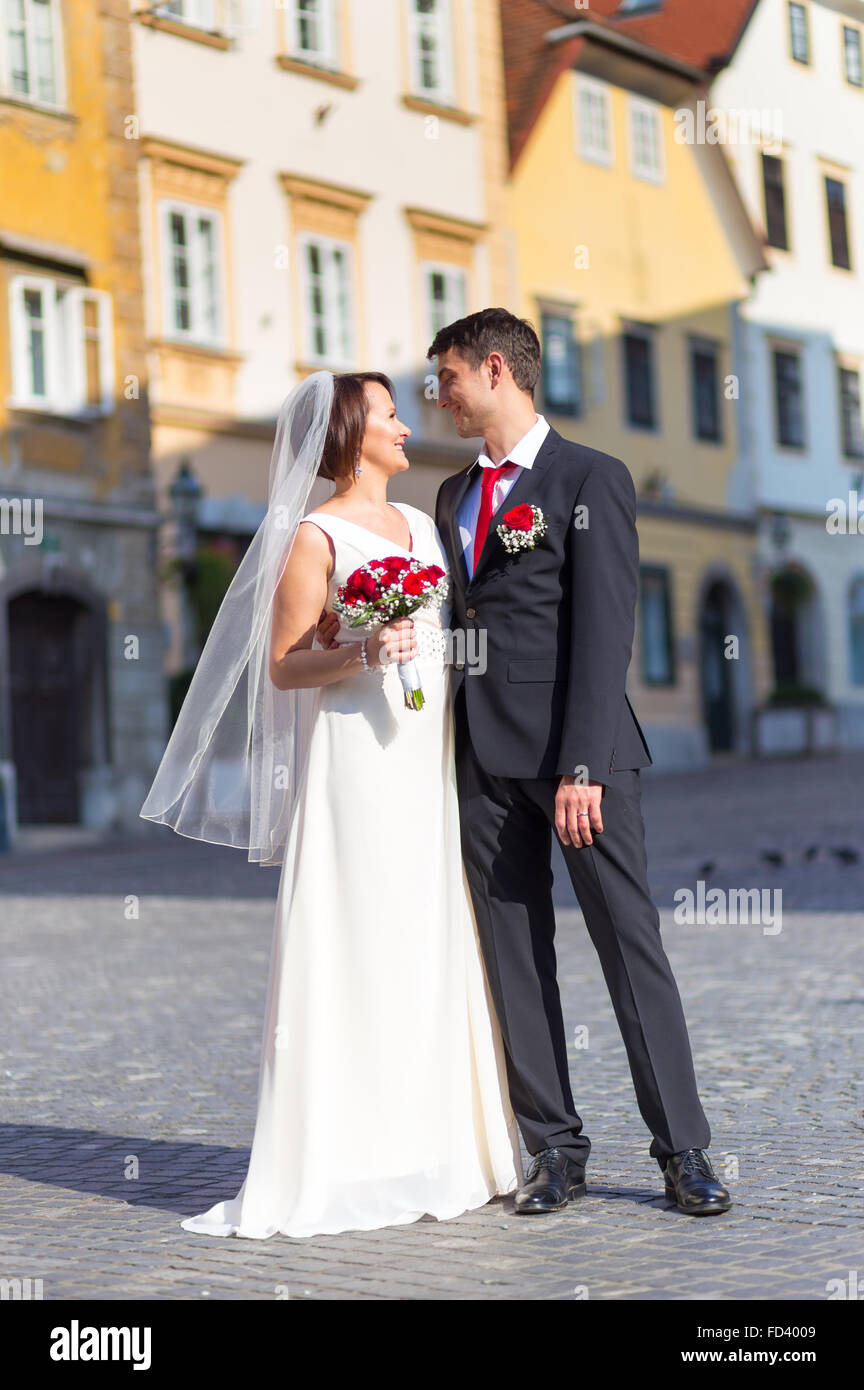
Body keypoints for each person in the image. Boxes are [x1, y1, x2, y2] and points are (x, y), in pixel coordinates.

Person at [141, 369, 522, 1239]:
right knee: (355, 932)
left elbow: (442, 633)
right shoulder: (313, 537)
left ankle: (440, 1144)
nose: (404, 423)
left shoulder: (424, 524)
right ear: (353, 435)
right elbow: (283, 664)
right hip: (353, 757)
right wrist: (359, 649)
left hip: (423, 756)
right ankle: (344, 1157)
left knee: (426, 931)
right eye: (389, 413)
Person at [420, 307, 732, 1217]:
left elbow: (605, 634)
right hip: (481, 759)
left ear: (493, 371)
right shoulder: (451, 498)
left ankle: (684, 1153)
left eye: (445, 378)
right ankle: (555, 1148)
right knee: (514, 957)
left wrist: (583, 766)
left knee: (630, 951)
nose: (436, 395)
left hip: (579, 760)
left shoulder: (592, 476)